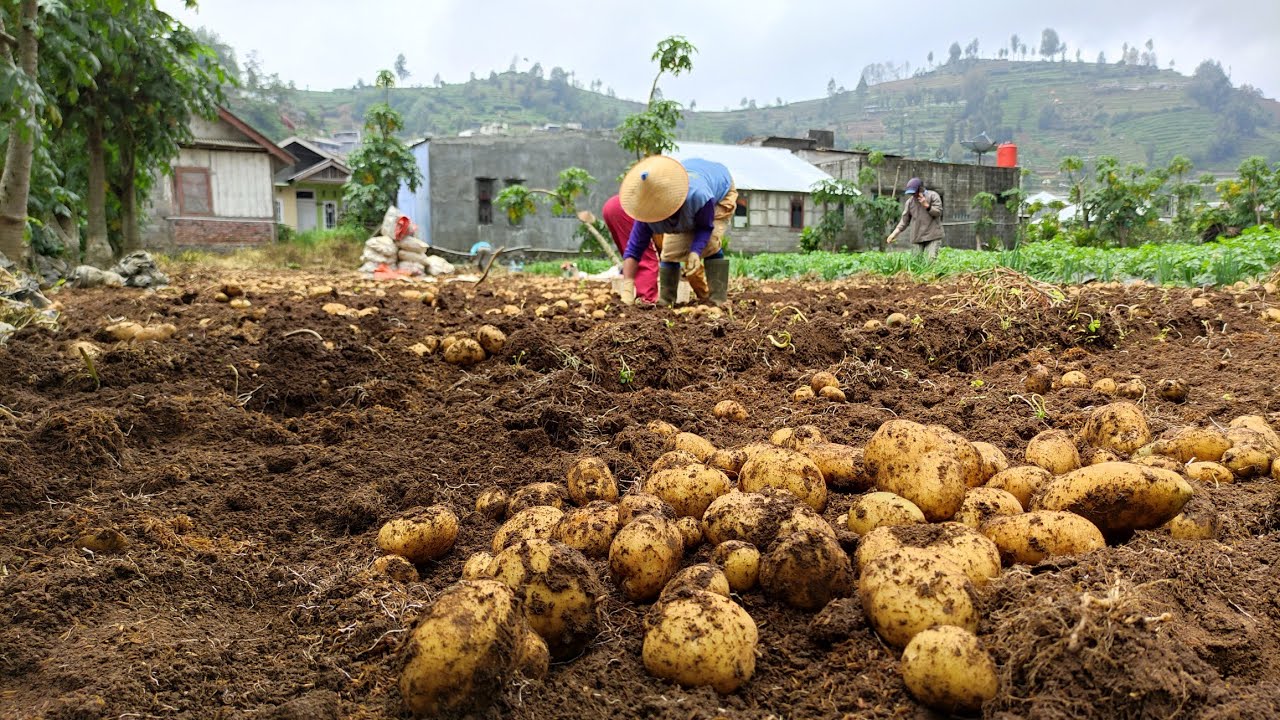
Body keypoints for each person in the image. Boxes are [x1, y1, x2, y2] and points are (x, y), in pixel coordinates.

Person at [617, 155, 734, 306]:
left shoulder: (699, 196)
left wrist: (695, 251)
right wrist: (627, 285)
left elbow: (705, 227)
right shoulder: (646, 214)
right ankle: (666, 302)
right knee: (670, 252)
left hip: (720, 191)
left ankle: (718, 300)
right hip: (693, 200)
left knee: (710, 245)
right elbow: (634, 250)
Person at [600, 195, 660, 304]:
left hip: (613, 205)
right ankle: (646, 300)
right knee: (645, 256)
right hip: (627, 209)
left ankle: (632, 293)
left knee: (631, 252)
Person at [886, 177, 944, 260]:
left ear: (921, 189)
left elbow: (938, 213)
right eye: (911, 194)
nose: (913, 195)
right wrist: (894, 234)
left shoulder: (933, 196)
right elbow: (904, 221)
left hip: (933, 236)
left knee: (930, 260)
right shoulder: (910, 202)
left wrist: (926, 205)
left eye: (914, 192)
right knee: (915, 262)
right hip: (917, 237)